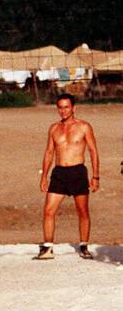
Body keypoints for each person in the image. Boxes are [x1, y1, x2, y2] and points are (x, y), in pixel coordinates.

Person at [37, 93, 99, 259]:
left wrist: (96, 176)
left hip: (78, 172)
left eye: (66, 107)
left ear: (73, 108)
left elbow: (93, 151)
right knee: (49, 210)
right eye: (60, 107)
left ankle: (84, 245)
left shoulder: (84, 127)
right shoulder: (54, 128)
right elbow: (49, 152)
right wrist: (44, 176)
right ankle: (48, 247)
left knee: (82, 211)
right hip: (59, 173)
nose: (63, 111)